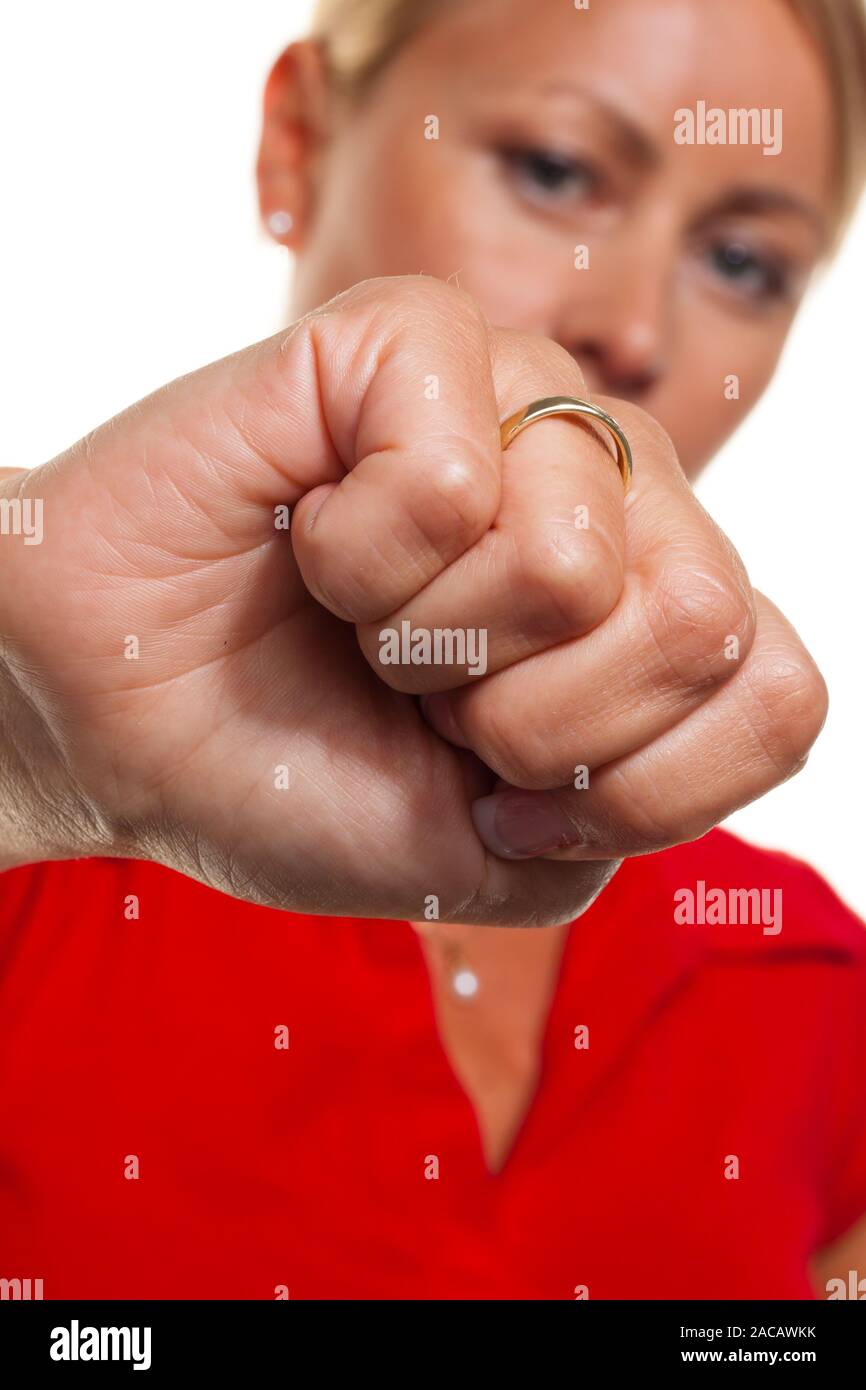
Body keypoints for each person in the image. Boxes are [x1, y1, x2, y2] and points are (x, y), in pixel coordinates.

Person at [1, 0, 865, 1299]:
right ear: (296, 143)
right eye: (556, 170)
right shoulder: (39, 838)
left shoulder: (802, 985)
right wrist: (32, 732)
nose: (634, 324)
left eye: (742, 259)